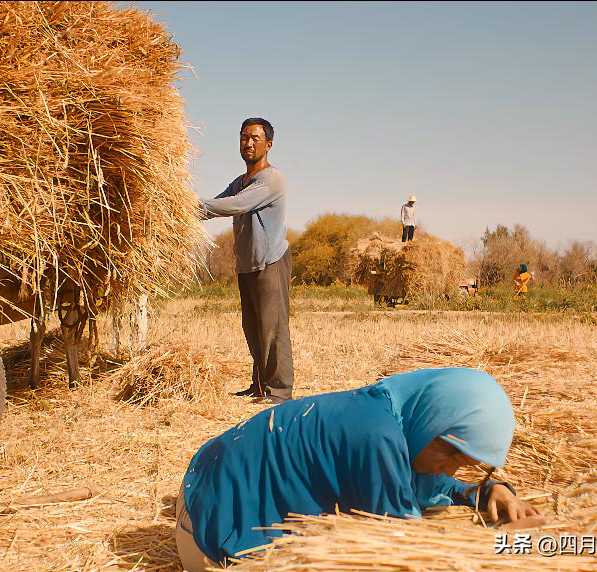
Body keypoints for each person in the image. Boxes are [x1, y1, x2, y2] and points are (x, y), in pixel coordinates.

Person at [175, 368, 544, 570]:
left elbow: (420, 480)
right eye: (451, 456)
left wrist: (481, 492)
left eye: (465, 466)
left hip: (203, 482)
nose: (448, 470)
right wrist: (498, 545)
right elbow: (414, 550)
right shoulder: (378, 437)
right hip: (207, 531)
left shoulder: (390, 410)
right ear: (433, 419)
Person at [200, 118, 293, 404]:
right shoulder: (239, 182)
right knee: (253, 327)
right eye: (243, 137)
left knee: (273, 327)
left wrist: (192, 204)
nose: (248, 143)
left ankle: (280, 391)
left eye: (254, 138)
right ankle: (259, 385)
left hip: (270, 262)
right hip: (246, 264)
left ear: (268, 144)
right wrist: (180, 212)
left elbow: (235, 205)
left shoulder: (271, 179)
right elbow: (217, 205)